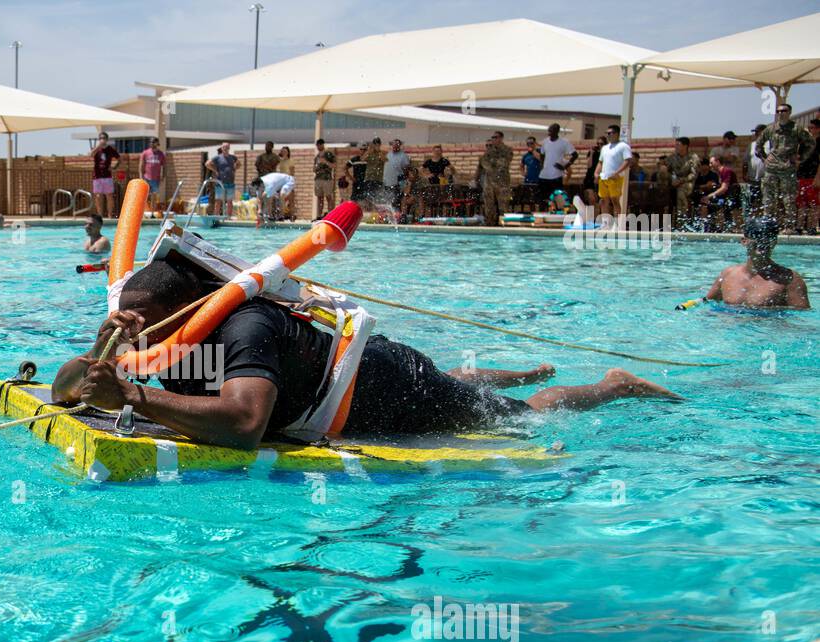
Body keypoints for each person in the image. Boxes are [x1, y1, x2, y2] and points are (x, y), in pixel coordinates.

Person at [53, 257, 682, 451]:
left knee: (520, 412)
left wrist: (132, 395)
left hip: (390, 387)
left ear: (190, 310)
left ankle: (611, 384)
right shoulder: (165, 333)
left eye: (147, 330)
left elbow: (246, 425)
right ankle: (514, 367)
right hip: (347, 366)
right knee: (462, 380)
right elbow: (64, 390)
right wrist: (104, 344)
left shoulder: (243, 329)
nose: (143, 346)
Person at [695, 217, 809, 310]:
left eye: (768, 238)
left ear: (775, 242)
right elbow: (707, 302)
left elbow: (800, 318)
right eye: (757, 237)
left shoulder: (789, 279)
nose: (762, 242)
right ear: (744, 241)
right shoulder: (728, 274)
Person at [758, 103, 816, 232]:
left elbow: (811, 143)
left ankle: (789, 226)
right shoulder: (770, 129)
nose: (780, 113)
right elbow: (758, 145)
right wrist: (764, 158)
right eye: (778, 111)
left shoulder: (796, 128)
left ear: (789, 112)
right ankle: (769, 225)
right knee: (768, 197)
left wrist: (800, 158)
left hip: (788, 168)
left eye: (783, 111)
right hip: (771, 168)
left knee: (788, 198)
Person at [595, 124, 633, 219]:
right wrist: (596, 173)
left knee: (615, 200)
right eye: (607, 133)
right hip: (604, 177)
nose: (608, 135)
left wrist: (616, 173)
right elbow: (600, 162)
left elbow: (628, 161)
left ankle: (619, 223)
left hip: (615, 178)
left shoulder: (623, 146)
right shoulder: (605, 148)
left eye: (610, 133)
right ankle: (605, 222)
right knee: (604, 200)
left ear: (616, 134)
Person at [537, 123, 577, 206]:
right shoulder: (545, 141)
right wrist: (541, 166)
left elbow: (575, 155)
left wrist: (565, 166)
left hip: (556, 175)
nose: (549, 132)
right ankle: (543, 215)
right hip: (544, 175)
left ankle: (558, 214)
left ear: (557, 131)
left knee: (558, 197)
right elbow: (542, 154)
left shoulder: (564, 142)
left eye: (551, 130)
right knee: (543, 199)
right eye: (549, 130)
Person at [664, 137, 699, 229]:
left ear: (685, 146)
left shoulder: (693, 158)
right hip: (674, 182)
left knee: (681, 192)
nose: (676, 147)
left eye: (678, 145)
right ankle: (661, 222)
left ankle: (681, 224)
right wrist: (672, 179)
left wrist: (681, 180)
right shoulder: (672, 158)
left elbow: (694, 174)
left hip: (687, 183)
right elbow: (666, 170)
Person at [479, 131, 512, 226]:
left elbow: (505, 162)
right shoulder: (489, 150)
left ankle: (503, 224)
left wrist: (492, 164)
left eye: (495, 137)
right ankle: (490, 224)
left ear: (501, 138)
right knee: (489, 205)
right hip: (489, 182)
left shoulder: (507, 150)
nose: (493, 139)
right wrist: (494, 165)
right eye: (492, 137)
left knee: (503, 205)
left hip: (502, 182)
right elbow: (483, 162)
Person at [701, 154, 740, 233]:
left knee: (711, 203)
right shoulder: (719, 173)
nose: (710, 165)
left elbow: (724, 188)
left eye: (711, 163)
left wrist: (709, 196)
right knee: (706, 205)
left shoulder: (726, 171)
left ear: (717, 162)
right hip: (725, 198)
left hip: (732, 198)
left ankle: (728, 228)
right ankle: (708, 227)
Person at [90, 132, 121, 219]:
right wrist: (98, 147)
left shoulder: (110, 149)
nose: (102, 139)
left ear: (107, 139)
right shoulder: (96, 149)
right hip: (97, 176)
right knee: (98, 196)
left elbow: (119, 159)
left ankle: (110, 215)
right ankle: (100, 215)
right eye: (100, 138)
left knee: (109, 195)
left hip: (107, 176)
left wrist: (114, 167)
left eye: (104, 138)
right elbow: (90, 155)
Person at [797, 119, 820, 235]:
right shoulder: (805, 143)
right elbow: (799, 159)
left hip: (813, 176)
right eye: (809, 127)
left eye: (812, 127)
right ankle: (799, 227)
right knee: (801, 203)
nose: (810, 130)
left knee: (814, 203)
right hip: (802, 176)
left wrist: (817, 177)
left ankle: (812, 227)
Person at [205, 142, 237, 218]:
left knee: (229, 201)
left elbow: (238, 164)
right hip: (219, 183)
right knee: (217, 201)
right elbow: (207, 165)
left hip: (230, 182)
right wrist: (215, 171)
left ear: (229, 148)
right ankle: (216, 216)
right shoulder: (217, 158)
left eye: (227, 147)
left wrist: (234, 169)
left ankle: (228, 217)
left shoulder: (232, 158)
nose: (225, 149)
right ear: (222, 149)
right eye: (224, 148)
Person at [743, 123, 767, 215]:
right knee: (753, 202)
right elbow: (745, 161)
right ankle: (754, 221)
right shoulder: (751, 145)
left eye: (758, 132)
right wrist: (744, 173)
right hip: (753, 179)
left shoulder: (770, 144)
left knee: (765, 202)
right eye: (755, 132)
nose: (756, 134)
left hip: (766, 179)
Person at [138, 137, 166, 210]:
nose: (152, 143)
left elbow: (165, 166)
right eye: (151, 142)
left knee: (154, 195)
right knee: (145, 195)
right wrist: (141, 177)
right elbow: (141, 165)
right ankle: (145, 211)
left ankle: (152, 212)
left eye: (153, 142)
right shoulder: (145, 153)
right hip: (146, 177)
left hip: (156, 179)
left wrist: (163, 176)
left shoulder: (161, 154)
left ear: (157, 143)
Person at [313, 139, 338, 217]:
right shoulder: (317, 156)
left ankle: (330, 214)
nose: (318, 146)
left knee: (329, 197)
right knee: (319, 198)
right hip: (318, 179)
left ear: (323, 145)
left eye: (319, 145)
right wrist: (316, 166)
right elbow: (313, 169)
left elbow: (334, 166)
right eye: (317, 145)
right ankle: (319, 215)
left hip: (327, 179)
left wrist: (325, 162)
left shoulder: (328, 154)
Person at [384, 138, 410, 209]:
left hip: (399, 179)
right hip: (388, 180)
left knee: (397, 199)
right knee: (389, 199)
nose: (395, 146)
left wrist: (403, 180)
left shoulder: (403, 156)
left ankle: (398, 215)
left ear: (399, 145)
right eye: (394, 144)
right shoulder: (388, 155)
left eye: (397, 144)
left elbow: (406, 169)